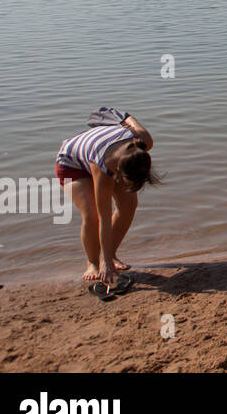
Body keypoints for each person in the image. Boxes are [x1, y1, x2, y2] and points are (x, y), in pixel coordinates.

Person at [55, 108, 161, 286]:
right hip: (71, 164)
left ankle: (110, 256)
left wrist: (109, 260)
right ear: (119, 172)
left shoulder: (144, 141)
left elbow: (128, 118)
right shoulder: (103, 167)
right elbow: (104, 217)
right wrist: (107, 266)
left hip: (111, 152)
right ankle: (93, 263)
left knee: (129, 206)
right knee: (92, 215)